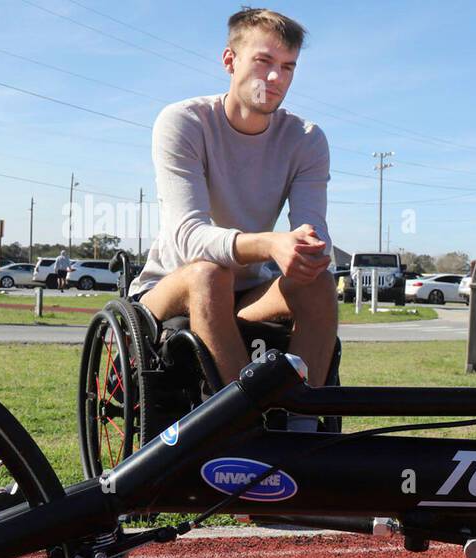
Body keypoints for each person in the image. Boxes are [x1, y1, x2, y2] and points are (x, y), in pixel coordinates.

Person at [127, 7, 336, 431]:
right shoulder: (183, 121)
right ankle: (250, 427)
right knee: (209, 273)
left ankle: (301, 430)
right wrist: (270, 244)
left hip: (247, 296)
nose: (275, 78)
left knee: (318, 281)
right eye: (264, 62)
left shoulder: (307, 139)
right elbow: (188, 237)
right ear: (230, 61)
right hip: (170, 286)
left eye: (288, 67)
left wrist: (310, 249)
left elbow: (315, 231)